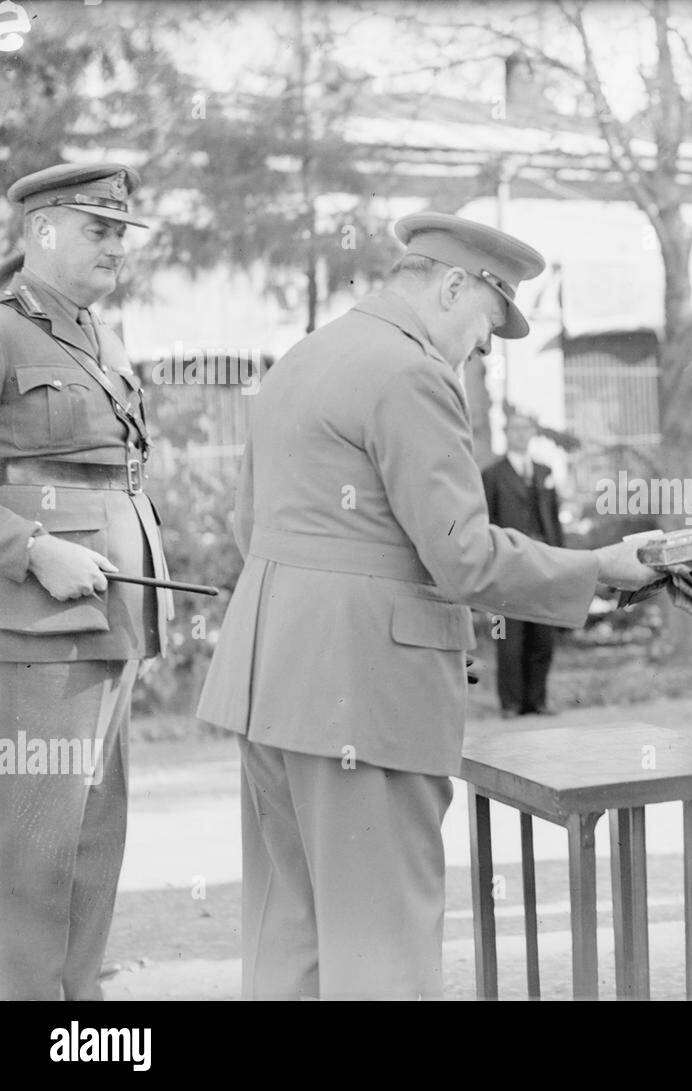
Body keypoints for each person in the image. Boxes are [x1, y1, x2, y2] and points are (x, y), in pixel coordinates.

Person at [195, 211, 657, 1000]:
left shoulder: (305, 356)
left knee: (290, 939)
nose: (483, 347)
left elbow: (249, 526)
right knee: (383, 950)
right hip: (363, 697)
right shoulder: (411, 372)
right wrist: (597, 567)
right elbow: (464, 554)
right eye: (486, 323)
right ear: (451, 285)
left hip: (267, 687)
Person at [0, 163, 170, 999]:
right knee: (31, 853)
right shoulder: (2, 331)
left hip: (113, 620)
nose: (115, 246)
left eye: (120, 232)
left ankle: (78, 1017)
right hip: (35, 632)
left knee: (94, 842)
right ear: (39, 231)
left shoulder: (101, 337)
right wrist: (29, 546)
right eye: (97, 228)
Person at [481, 412, 565, 716]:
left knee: (543, 635)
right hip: (509, 563)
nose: (521, 434)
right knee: (510, 636)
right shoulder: (492, 475)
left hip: (543, 561)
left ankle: (537, 700)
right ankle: (511, 703)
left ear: (532, 433)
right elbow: (486, 522)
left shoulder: (544, 471)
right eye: (515, 429)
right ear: (506, 433)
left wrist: (560, 557)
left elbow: (554, 520)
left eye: (526, 429)